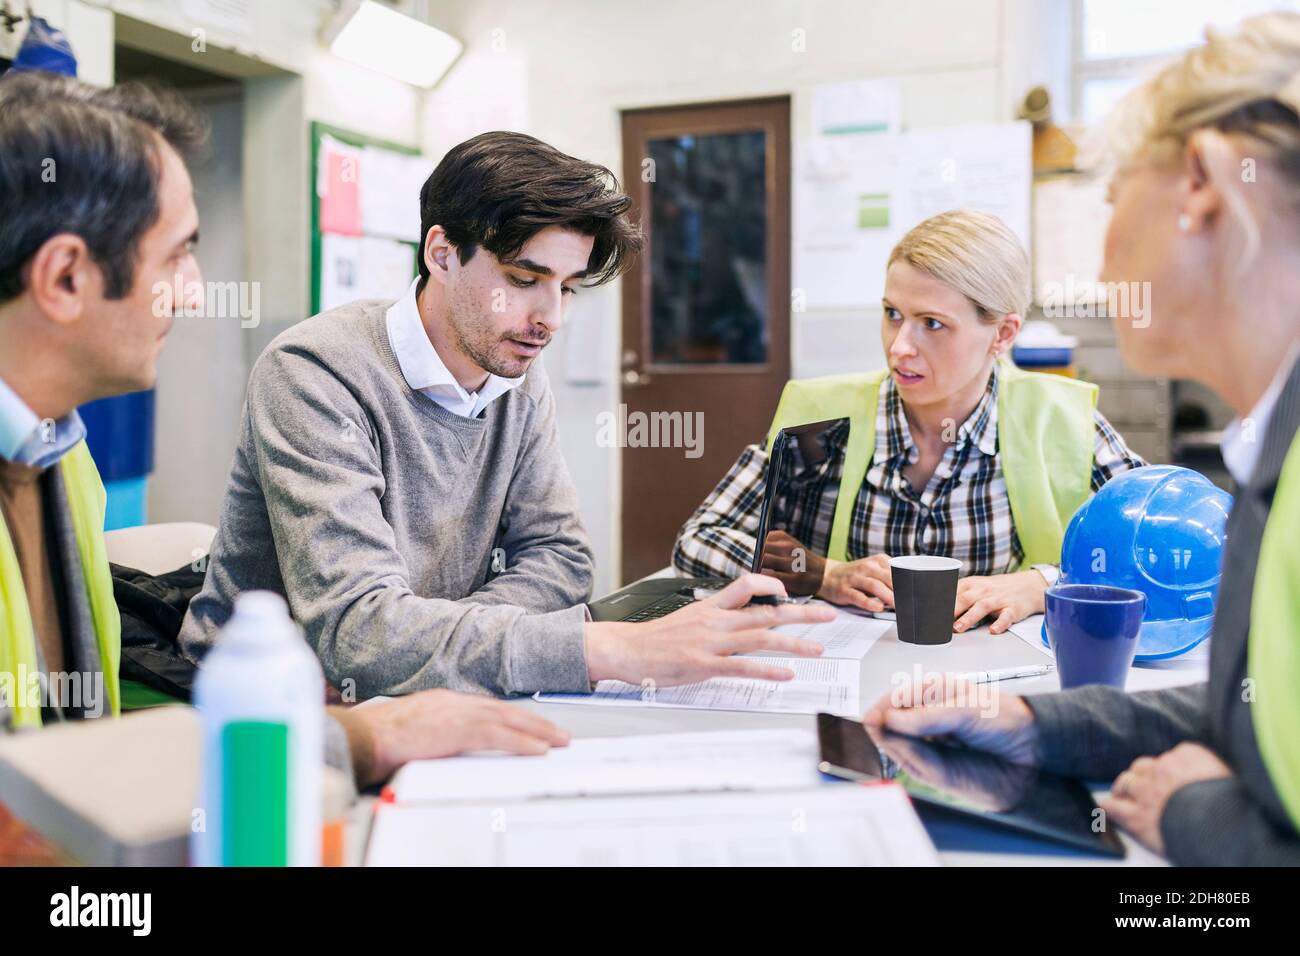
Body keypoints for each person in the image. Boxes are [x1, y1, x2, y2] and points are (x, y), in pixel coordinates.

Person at [0, 72, 577, 790]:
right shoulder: (317, 366)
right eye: (176, 254)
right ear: (63, 279)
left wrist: (421, 654)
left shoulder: (61, 452)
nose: (196, 291)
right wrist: (368, 731)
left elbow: (84, 767)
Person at [179, 129, 832, 702]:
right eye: (524, 280)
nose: (550, 318)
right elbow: (359, 633)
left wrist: (426, 643)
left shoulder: (514, 370)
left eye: (567, 288)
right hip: (266, 704)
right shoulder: (316, 373)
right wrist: (602, 648)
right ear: (441, 253)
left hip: (413, 688)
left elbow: (563, 560)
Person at [867, 11, 1300, 865]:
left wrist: (1203, 820)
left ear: (1202, 185)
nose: (1102, 268)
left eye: (1109, 201)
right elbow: (1248, 711)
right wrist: (1027, 721)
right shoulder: (1269, 453)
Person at [674, 210, 1145, 634]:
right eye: (892, 314)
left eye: (932, 323)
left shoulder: (1062, 420)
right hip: (838, 682)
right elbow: (698, 540)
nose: (900, 346)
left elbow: (1155, 546)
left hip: (997, 689)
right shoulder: (820, 414)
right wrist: (822, 574)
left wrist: (1042, 583)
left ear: (1001, 334)